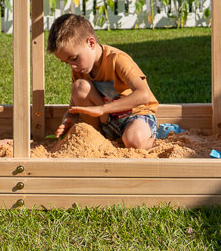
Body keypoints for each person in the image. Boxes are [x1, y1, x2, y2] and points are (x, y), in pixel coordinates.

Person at [48, 13, 158, 150]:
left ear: (91, 43)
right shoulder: (79, 68)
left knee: (134, 141)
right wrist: (68, 119)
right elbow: (74, 108)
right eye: (67, 62)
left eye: (74, 58)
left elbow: (143, 95)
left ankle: (153, 136)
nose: (72, 66)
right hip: (105, 121)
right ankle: (99, 139)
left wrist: (101, 109)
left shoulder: (117, 59)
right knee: (79, 87)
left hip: (135, 116)